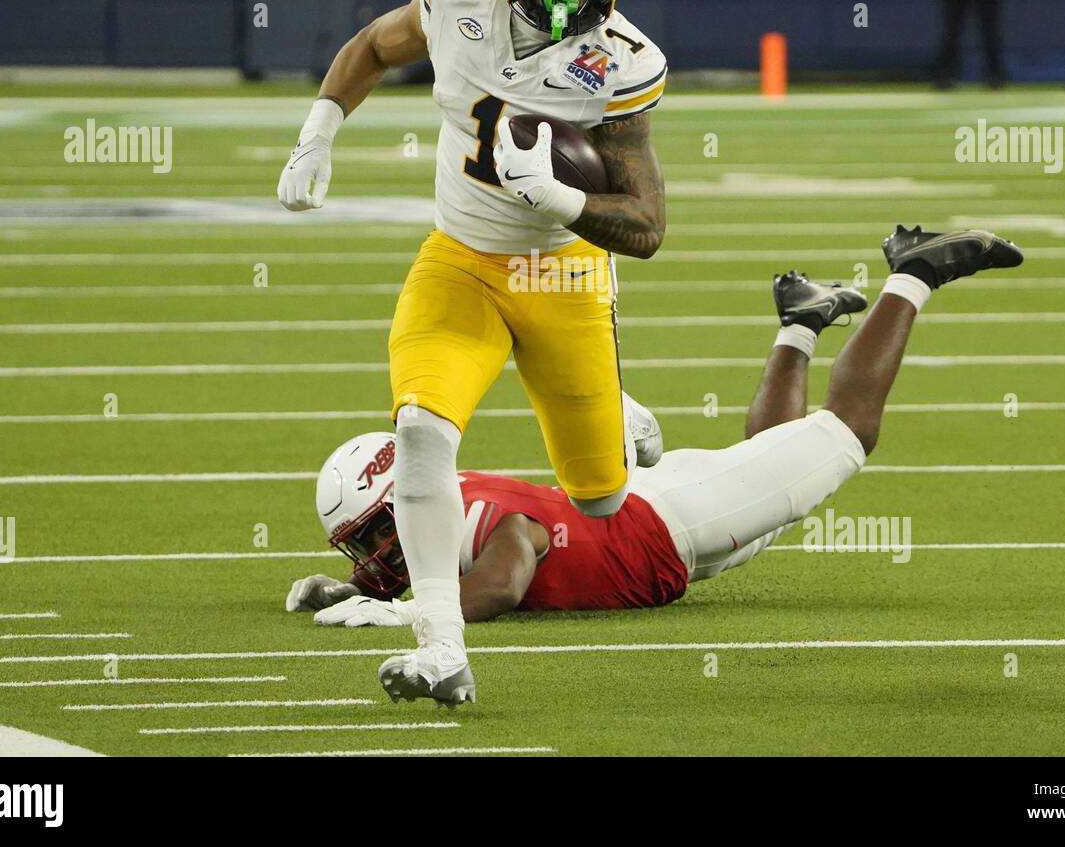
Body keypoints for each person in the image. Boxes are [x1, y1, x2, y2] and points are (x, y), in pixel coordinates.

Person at [286, 227, 1025, 698]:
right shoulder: (431, 502)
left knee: (849, 432)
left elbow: (510, 571)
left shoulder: (473, 516)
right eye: (360, 541)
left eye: (373, 533)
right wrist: (346, 589)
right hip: (652, 521)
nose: (373, 554)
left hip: (672, 522)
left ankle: (914, 273)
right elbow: (418, 555)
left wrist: (411, 609)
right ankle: (801, 321)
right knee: (767, 461)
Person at [275, 0, 669, 707]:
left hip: (561, 272)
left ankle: (622, 408)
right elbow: (374, 47)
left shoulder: (623, 62)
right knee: (420, 428)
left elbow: (646, 226)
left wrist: (559, 197)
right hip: (458, 257)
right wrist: (318, 135)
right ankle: (441, 648)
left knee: (600, 498)